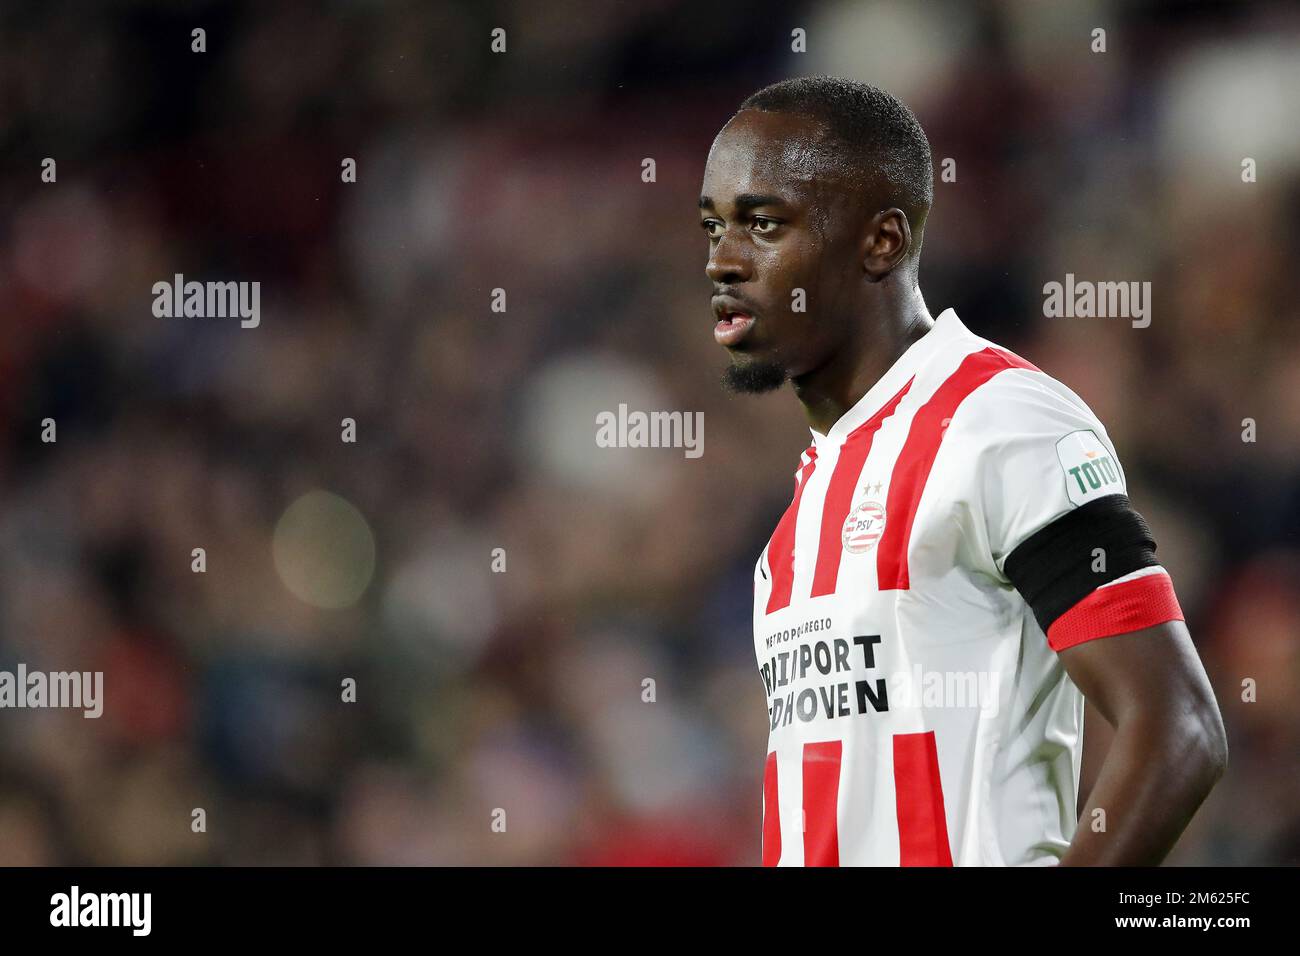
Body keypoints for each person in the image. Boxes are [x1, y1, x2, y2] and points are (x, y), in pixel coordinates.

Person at [698, 75, 1226, 866]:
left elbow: (1179, 727)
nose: (723, 262)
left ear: (882, 241)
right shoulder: (796, 524)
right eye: (713, 227)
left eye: (763, 224)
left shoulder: (997, 419)